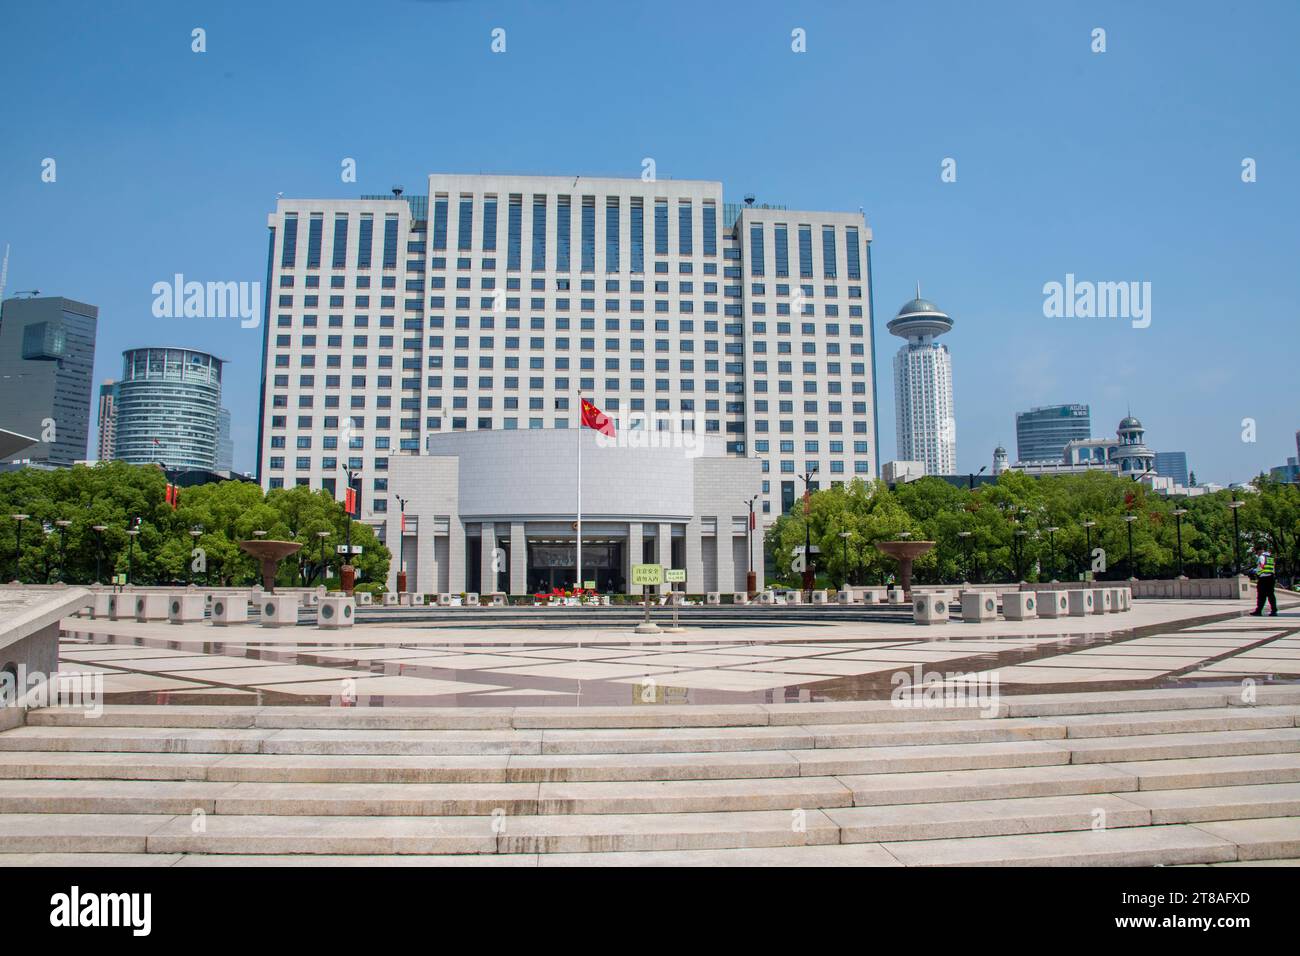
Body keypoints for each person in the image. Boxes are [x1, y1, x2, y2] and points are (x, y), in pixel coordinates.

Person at [1248, 542, 1277, 616]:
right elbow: (1273, 567)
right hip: (1271, 577)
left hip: (1263, 578)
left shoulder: (1261, 557)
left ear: (1260, 551)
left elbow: (1261, 566)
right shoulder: (1270, 557)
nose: (1257, 554)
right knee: (1271, 595)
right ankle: (1274, 611)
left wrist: (1255, 571)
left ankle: (1258, 611)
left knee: (1261, 595)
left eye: (1257, 552)